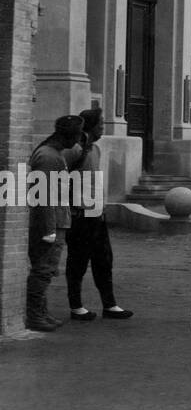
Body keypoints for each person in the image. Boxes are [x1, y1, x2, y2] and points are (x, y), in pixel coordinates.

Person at [66, 107, 132, 322]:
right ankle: (76, 306)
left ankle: (110, 305)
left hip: (96, 215)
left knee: (104, 260)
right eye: (101, 124)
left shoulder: (95, 149)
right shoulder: (75, 150)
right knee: (78, 262)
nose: (104, 127)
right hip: (79, 215)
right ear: (91, 126)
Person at [27, 115, 84, 331]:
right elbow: (44, 196)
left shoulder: (53, 154)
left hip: (57, 221)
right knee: (43, 270)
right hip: (49, 224)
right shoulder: (49, 157)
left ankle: (41, 311)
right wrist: (49, 229)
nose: (79, 141)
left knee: (47, 270)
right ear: (69, 135)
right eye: (78, 135)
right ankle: (34, 315)